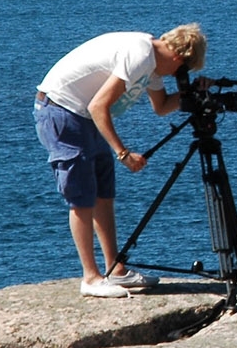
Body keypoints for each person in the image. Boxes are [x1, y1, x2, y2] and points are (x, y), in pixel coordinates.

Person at [34, 25, 207, 298]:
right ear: (179, 58)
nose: (179, 77)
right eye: (184, 71)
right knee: (81, 198)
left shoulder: (152, 63)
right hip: (62, 112)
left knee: (103, 193)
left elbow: (161, 106)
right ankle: (90, 279)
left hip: (84, 117)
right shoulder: (140, 54)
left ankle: (116, 270)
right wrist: (123, 153)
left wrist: (192, 93)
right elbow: (98, 106)